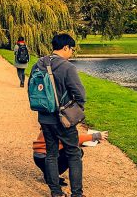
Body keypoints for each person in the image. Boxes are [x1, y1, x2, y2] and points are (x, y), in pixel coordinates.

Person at [34, 33, 86, 197]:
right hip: (63, 118)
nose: (71, 53)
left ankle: (56, 192)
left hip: (44, 116)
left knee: (51, 153)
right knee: (74, 153)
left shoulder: (39, 63)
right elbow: (80, 94)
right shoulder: (67, 67)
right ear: (65, 47)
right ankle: (76, 194)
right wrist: (76, 109)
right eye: (71, 49)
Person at [32, 129, 107, 187]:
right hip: (44, 158)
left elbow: (66, 142)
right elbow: (71, 140)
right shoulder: (58, 124)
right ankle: (51, 176)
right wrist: (95, 136)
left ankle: (50, 176)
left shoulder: (50, 122)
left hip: (40, 157)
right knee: (76, 153)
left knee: (75, 151)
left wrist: (88, 142)